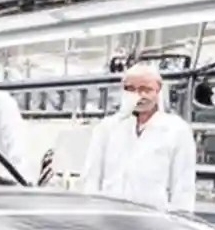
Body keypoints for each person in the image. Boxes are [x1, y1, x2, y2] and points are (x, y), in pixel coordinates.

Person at [80, 62, 197, 212]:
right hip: (109, 217)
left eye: (145, 89)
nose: (138, 96)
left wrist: (180, 223)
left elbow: (183, 186)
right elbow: (91, 177)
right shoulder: (106, 128)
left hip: (154, 220)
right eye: (131, 89)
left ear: (158, 91)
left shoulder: (177, 130)